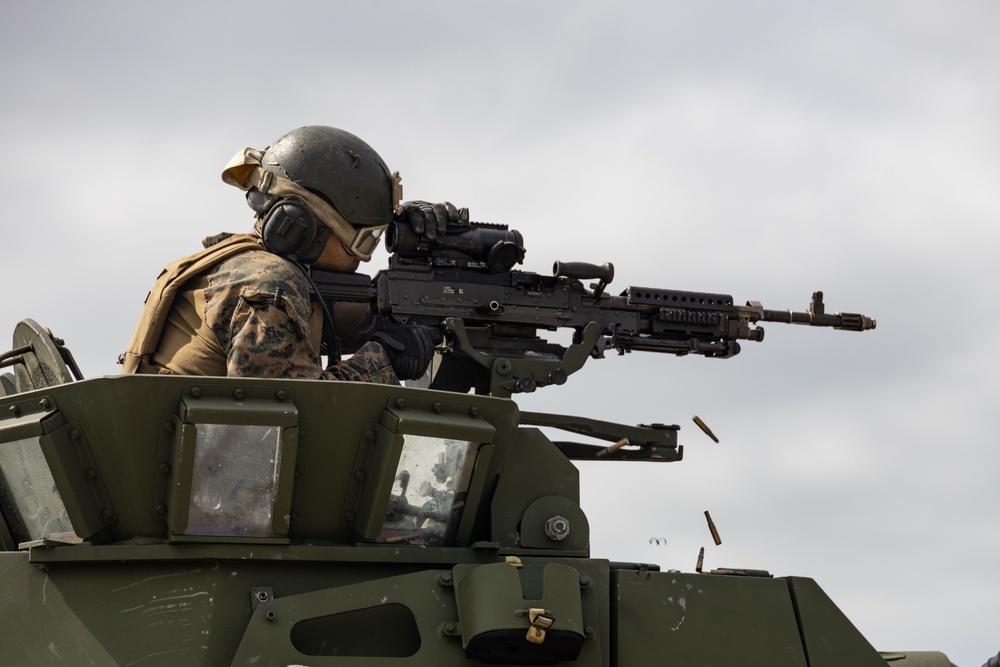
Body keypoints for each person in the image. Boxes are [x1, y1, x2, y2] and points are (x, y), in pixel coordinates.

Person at [120, 125, 451, 383]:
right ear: (299, 226)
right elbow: (296, 417)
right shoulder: (268, 286)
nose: (364, 259)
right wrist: (385, 361)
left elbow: (349, 322)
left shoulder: (242, 263)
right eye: (362, 240)